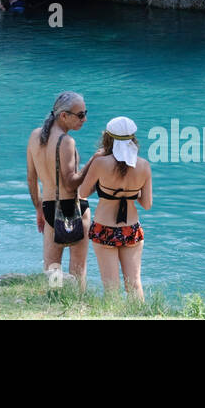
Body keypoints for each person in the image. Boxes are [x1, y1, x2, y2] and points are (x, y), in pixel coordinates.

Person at [79, 116, 152, 299]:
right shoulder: (143, 166)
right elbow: (147, 204)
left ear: (108, 138)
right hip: (131, 229)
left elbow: (83, 193)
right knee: (134, 284)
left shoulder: (100, 163)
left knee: (111, 286)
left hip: (104, 228)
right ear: (132, 139)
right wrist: (131, 192)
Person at [26, 91, 92, 290]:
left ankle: (55, 300)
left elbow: (31, 178)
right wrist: (93, 161)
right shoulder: (66, 142)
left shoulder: (35, 136)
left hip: (48, 207)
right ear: (64, 116)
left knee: (52, 266)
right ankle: (78, 304)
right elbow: (71, 183)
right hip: (73, 208)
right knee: (77, 268)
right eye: (80, 115)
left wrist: (38, 208)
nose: (84, 119)